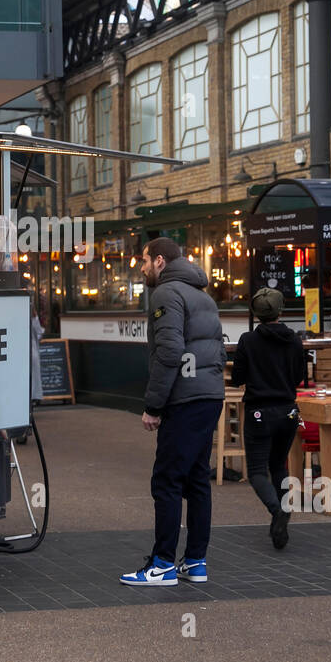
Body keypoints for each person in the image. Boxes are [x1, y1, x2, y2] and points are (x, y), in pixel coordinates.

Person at [120, 237, 226, 587]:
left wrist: (153, 406)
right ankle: (195, 561)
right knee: (197, 480)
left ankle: (162, 564)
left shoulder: (166, 294)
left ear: (161, 261)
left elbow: (169, 353)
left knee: (166, 480)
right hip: (209, 396)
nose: (142, 267)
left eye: (145, 260)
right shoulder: (202, 294)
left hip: (184, 399)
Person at [231, 287, 305, 550]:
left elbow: (237, 377)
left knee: (257, 470)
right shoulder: (295, 340)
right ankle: (282, 510)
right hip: (288, 411)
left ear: (255, 312)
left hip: (259, 412)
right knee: (279, 466)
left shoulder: (248, 340)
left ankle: (277, 510)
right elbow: (299, 377)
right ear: (280, 311)